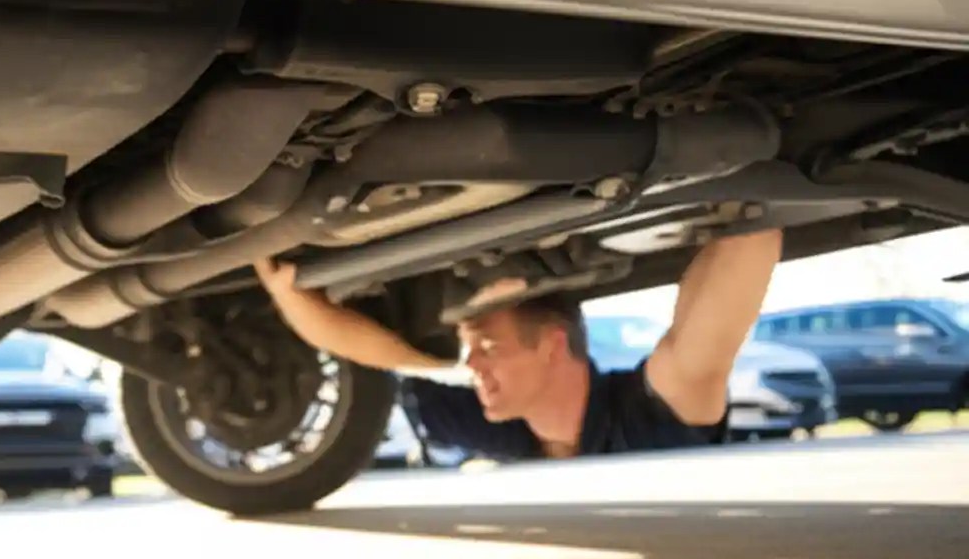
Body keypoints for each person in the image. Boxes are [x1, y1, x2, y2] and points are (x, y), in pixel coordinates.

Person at [253, 229, 784, 460]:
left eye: (485, 344)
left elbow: (382, 356)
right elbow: (752, 235)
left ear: (554, 345)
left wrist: (287, 291)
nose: (472, 363)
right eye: (473, 347)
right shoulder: (657, 414)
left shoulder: (488, 420)